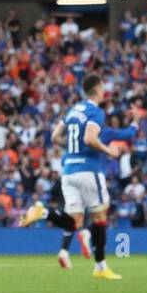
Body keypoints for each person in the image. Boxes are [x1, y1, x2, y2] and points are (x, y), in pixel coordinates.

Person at [43, 74, 123, 280]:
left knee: (75, 219)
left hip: (68, 171)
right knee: (100, 216)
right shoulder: (94, 111)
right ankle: (100, 266)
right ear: (96, 89)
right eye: (103, 87)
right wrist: (109, 150)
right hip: (88, 170)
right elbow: (89, 138)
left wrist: (72, 148)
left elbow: (54, 137)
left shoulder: (72, 111)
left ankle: (44, 212)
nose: (104, 91)